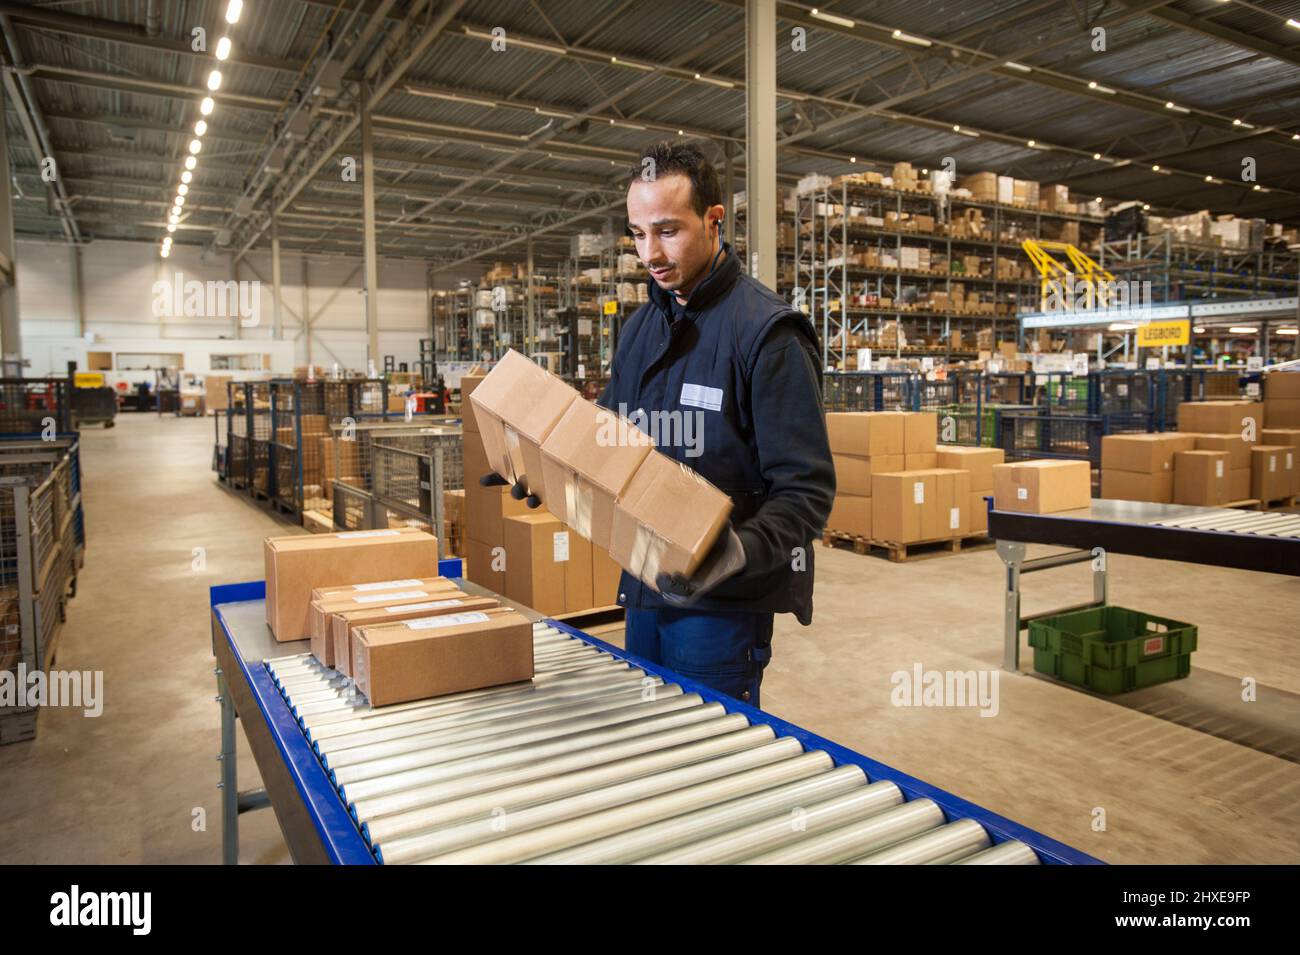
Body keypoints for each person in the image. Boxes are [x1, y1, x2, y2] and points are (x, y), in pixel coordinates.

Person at [596, 140, 835, 708]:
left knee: (708, 767)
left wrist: (738, 550)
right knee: (650, 749)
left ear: (713, 220)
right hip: (647, 584)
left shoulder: (767, 334)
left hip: (721, 608)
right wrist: (542, 462)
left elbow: (806, 490)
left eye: (667, 230)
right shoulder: (640, 329)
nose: (649, 253)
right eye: (636, 234)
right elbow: (606, 429)